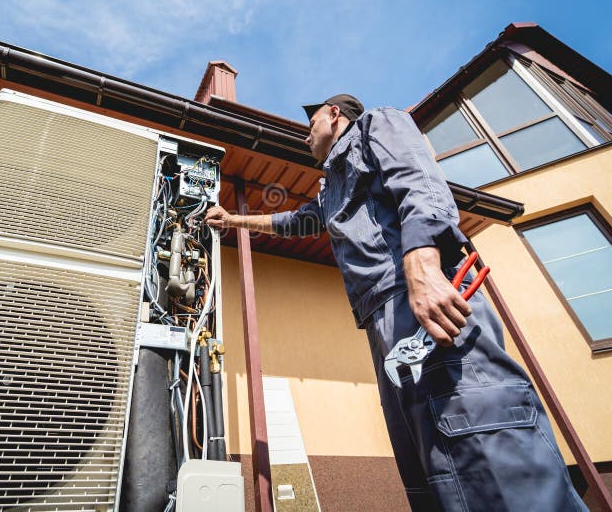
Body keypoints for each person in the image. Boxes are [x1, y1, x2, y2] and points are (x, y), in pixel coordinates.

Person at [204, 94, 587, 511]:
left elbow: (419, 180)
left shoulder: (377, 125)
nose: (305, 135)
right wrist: (233, 219)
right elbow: (295, 222)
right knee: (432, 465)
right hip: (381, 319)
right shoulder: (332, 186)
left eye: (310, 123)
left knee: (483, 443)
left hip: (418, 298)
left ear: (335, 115)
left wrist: (423, 267)